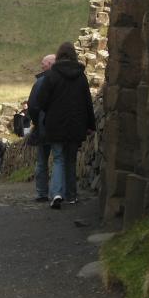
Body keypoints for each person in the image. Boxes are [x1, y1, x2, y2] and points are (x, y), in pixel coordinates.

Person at [33, 43, 95, 209]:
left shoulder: (52, 75)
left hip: (56, 124)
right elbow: (87, 102)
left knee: (58, 158)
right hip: (76, 124)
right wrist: (91, 124)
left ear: (59, 55)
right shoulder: (81, 76)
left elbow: (41, 101)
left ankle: (57, 193)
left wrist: (50, 111)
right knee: (71, 160)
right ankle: (71, 195)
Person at [27, 54, 55, 202]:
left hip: (43, 126)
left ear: (50, 64)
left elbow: (32, 105)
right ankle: (59, 192)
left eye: (43, 63)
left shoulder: (40, 82)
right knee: (59, 159)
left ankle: (42, 193)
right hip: (59, 126)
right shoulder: (62, 79)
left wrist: (37, 121)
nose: (41, 66)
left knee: (42, 161)